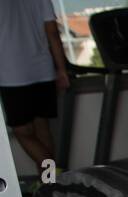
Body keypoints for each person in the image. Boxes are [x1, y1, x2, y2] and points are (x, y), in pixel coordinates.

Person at [0, 0, 70, 173]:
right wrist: (61, 70)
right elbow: (53, 33)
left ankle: (52, 171)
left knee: (21, 131)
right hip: (43, 70)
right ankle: (48, 185)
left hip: (12, 74)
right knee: (42, 128)